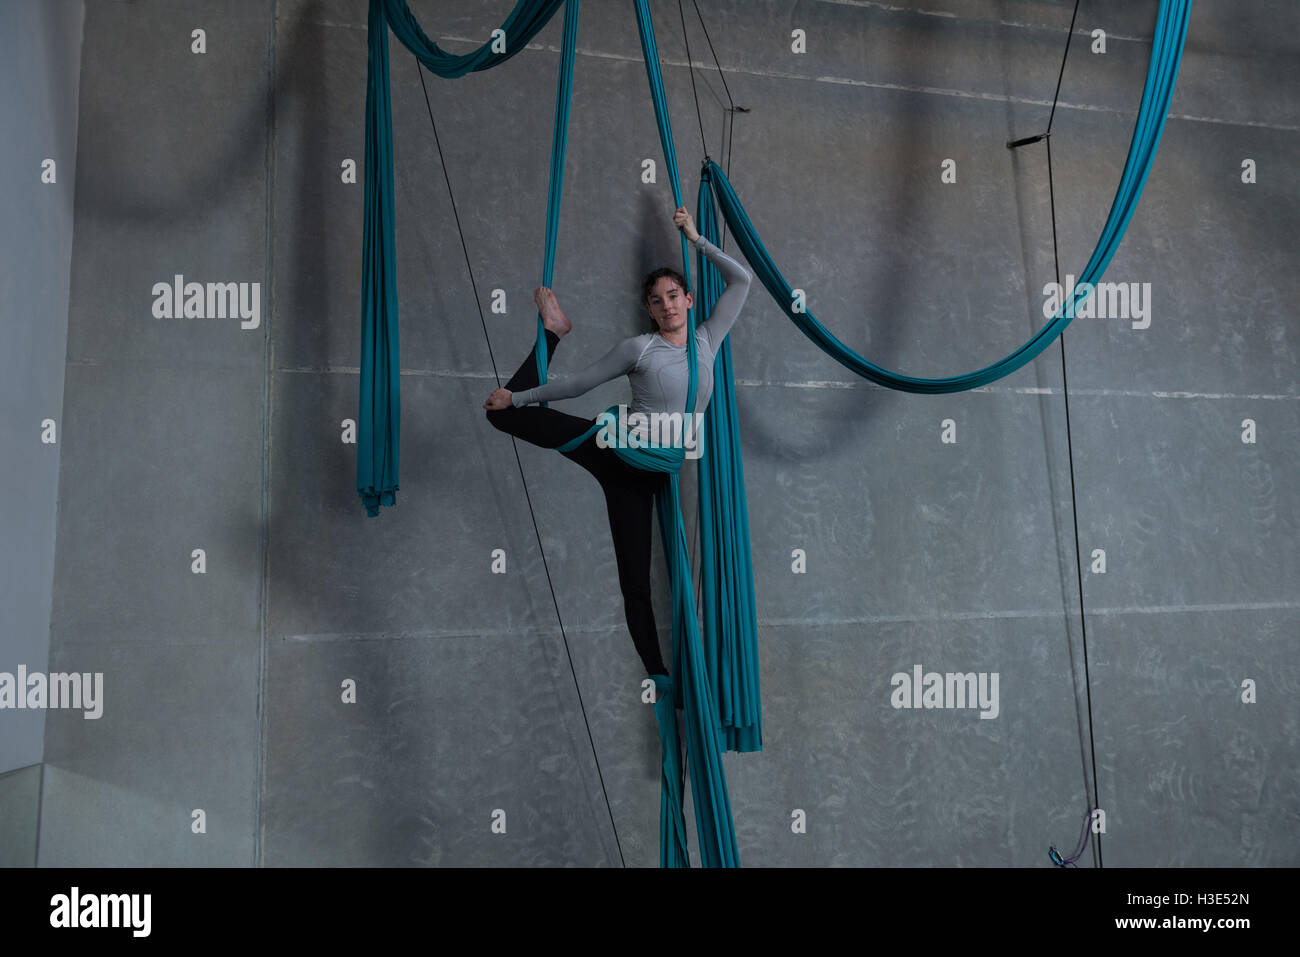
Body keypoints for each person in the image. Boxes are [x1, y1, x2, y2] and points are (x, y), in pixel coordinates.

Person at [484, 206, 752, 677]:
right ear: (648, 309)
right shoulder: (640, 349)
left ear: (689, 300)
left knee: (637, 586)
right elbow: (578, 386)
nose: (666, 305)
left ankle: (664, 684)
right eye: (656, 300)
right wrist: (520, 395)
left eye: (673, 296)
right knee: (504, 415)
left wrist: (695, 238)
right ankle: (552, 335)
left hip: (651, 476)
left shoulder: (708, 341)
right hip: (611, 449)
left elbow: (742, 281)